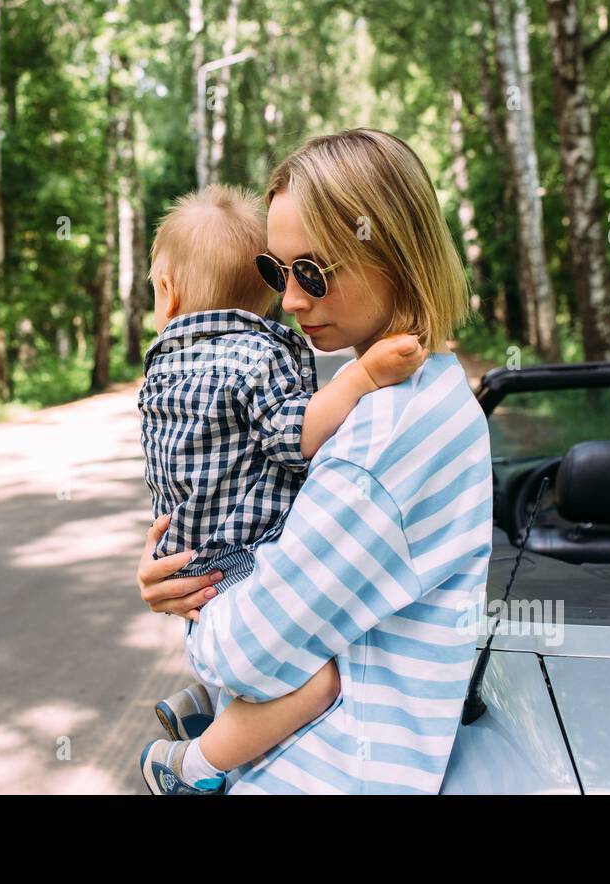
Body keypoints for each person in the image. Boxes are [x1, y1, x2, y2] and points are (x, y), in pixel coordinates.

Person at [136, 129, 493, 794]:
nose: (292, 301)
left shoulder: (385, 437)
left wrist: (194, 604)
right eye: (277, 273)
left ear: (394, 253)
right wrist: (184, 576)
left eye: (314, 272)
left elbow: (244, 655)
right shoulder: (410, 396)